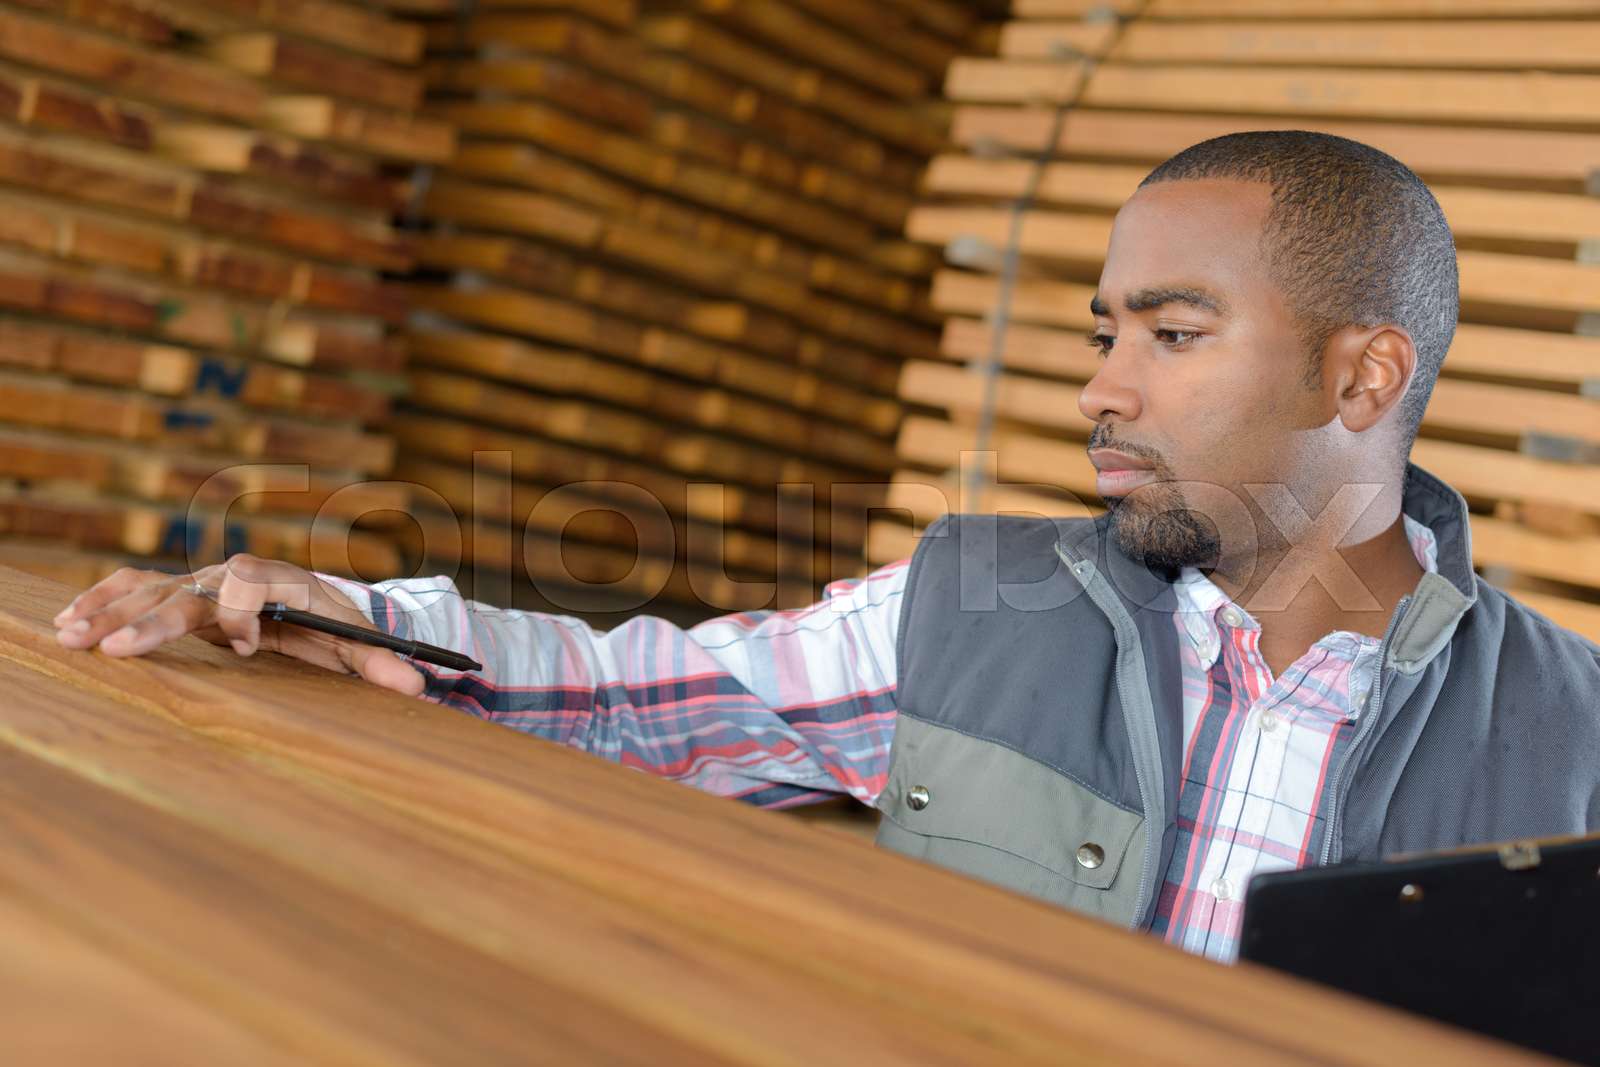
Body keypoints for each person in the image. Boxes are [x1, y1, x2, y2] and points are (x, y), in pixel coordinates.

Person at [52, 131, 1600, 963]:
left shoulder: (1578, 738)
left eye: (1174, 332)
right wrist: (347, 612)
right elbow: (622, 692)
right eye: (1105, 330)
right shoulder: (969, 611)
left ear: (1364, 377)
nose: (1101, 387)